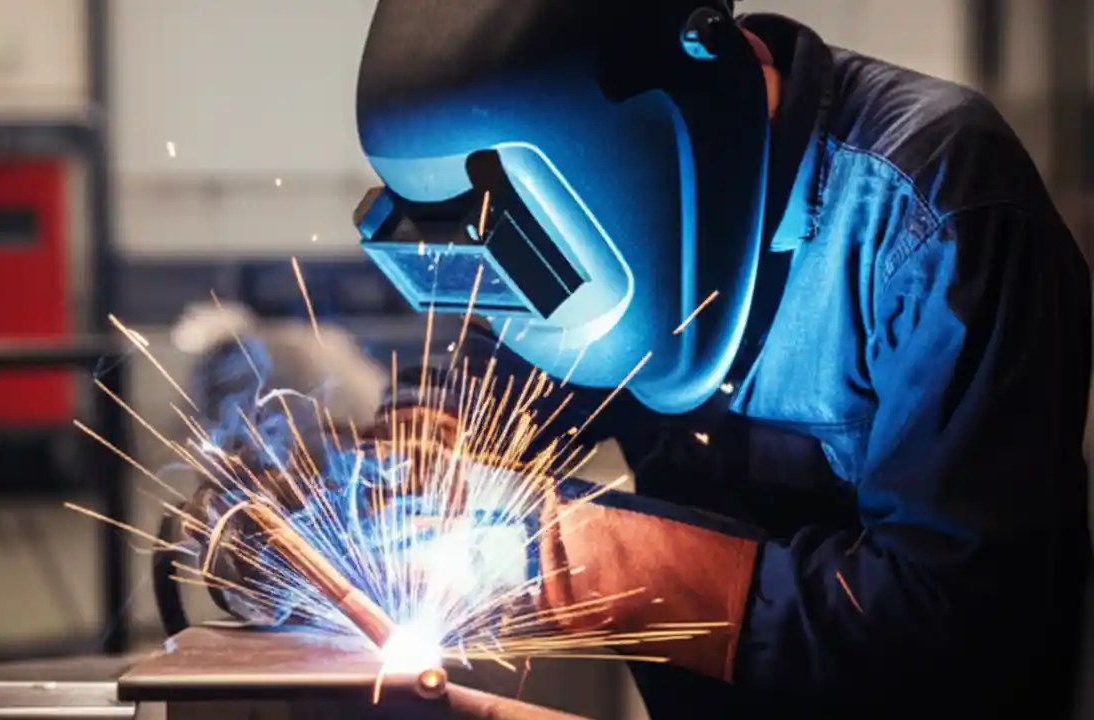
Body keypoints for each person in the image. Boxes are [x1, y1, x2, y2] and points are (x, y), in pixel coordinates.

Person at [346, 1, 1091, 717]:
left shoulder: (935, 208)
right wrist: (419, 439)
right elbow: (509, 366)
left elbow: (947, 619)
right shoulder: (586, 209)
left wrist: (557, 558)